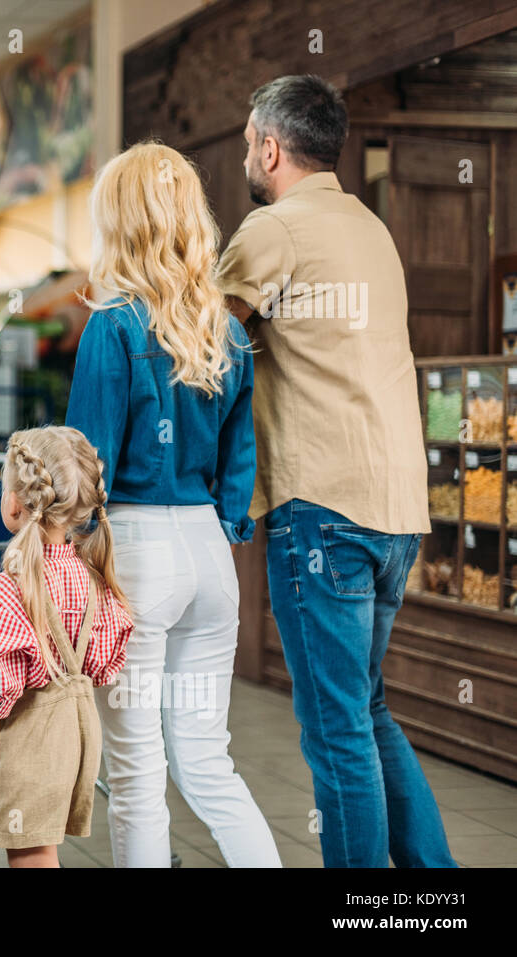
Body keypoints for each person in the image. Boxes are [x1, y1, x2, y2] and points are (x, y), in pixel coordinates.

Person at [217, 75, 454, 868]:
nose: (246, 156)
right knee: (365, 709)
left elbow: (202, 346)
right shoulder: (371, 229)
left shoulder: (273, 229)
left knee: (336, 726)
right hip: (397, 513)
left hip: (323, 511)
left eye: (247, 143)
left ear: (271, 148)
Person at [67, 142, 281, 867]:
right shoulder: (228, 332)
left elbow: (85, 471)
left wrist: (71, 554)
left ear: (119, 223)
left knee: (136, 775)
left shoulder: (113, 327)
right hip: (210, 558)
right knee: (206, 759)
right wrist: (223, 524)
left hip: (136, 556)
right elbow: (239, 463)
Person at [0, 426, 133, 868]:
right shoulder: (94, 581)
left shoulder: (3, 593)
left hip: (30, 750)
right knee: (44, 851)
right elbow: (103, 668)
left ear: (14, 503)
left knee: (32, 856)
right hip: (78, 742)